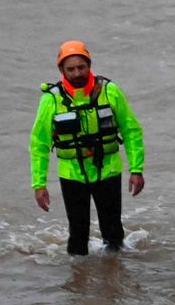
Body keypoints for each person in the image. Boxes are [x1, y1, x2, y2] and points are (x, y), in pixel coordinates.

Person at [30, 40, 145, 255]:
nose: (77, 73)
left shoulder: (110, 91)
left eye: (81, 67)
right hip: (72, 175)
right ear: (61, 70)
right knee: (77, 234)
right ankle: (78, 281)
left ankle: (115, 275)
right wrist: (39, 184)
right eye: (70, 69)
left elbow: (131, 131)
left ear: (89, 66)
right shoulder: (51, 100)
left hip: (108, 170)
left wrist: (136, 169)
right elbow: (39, 144)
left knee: (113, 232)